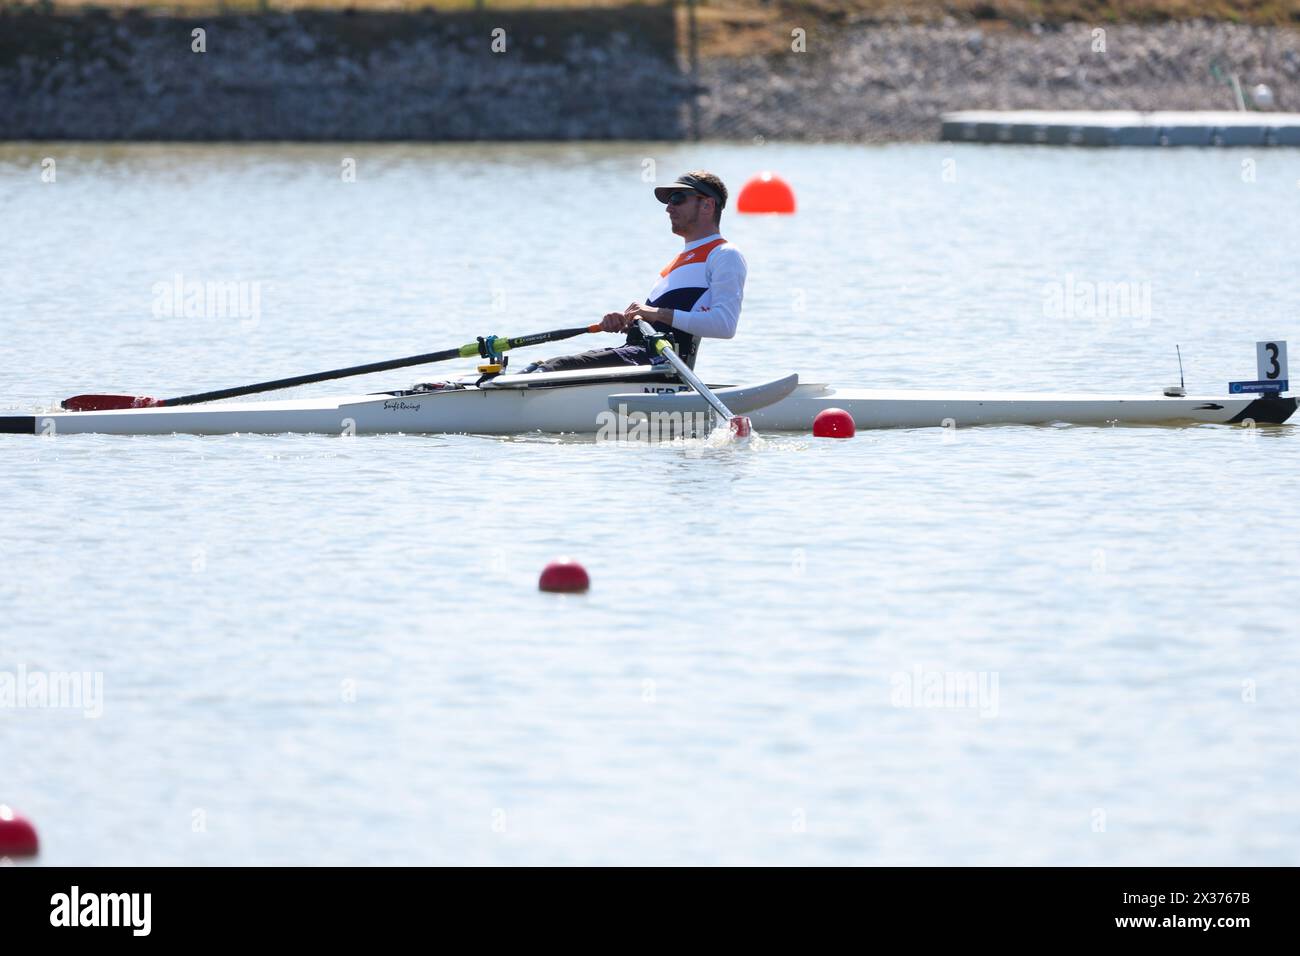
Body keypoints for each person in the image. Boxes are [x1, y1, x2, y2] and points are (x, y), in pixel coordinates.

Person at [527, 171, 747, 372]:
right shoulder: (675, 263)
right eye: (669, 201)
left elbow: (724, 325)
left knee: (557, 367)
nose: (669, 208)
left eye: (678, 199)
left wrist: (656, 312)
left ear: (708, 205)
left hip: (661, 365)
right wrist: (628, 322)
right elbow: (658, 322)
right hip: (637, 356)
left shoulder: (724, 254)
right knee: (538, 365)